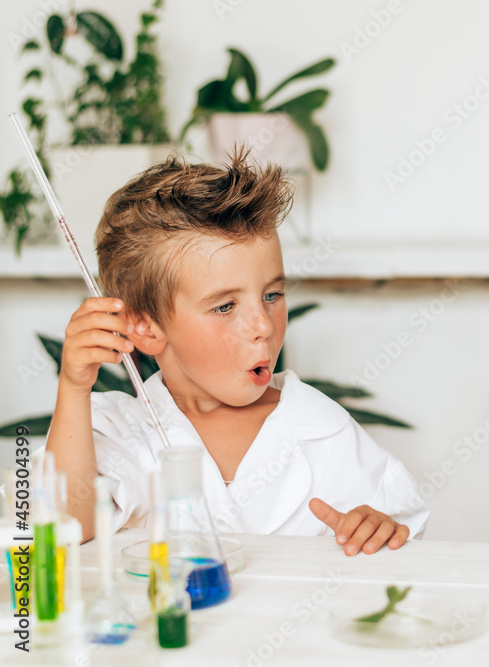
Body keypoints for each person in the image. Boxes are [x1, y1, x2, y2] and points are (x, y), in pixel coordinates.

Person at [46, 151, 428, 555]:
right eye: (225, 306)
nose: (263, 325)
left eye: (272, 295)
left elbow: (402, 537)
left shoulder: (320, 428)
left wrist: (380, 530)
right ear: (145, 327)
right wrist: (73, 387)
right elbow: (65, 525)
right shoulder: (120, 432)